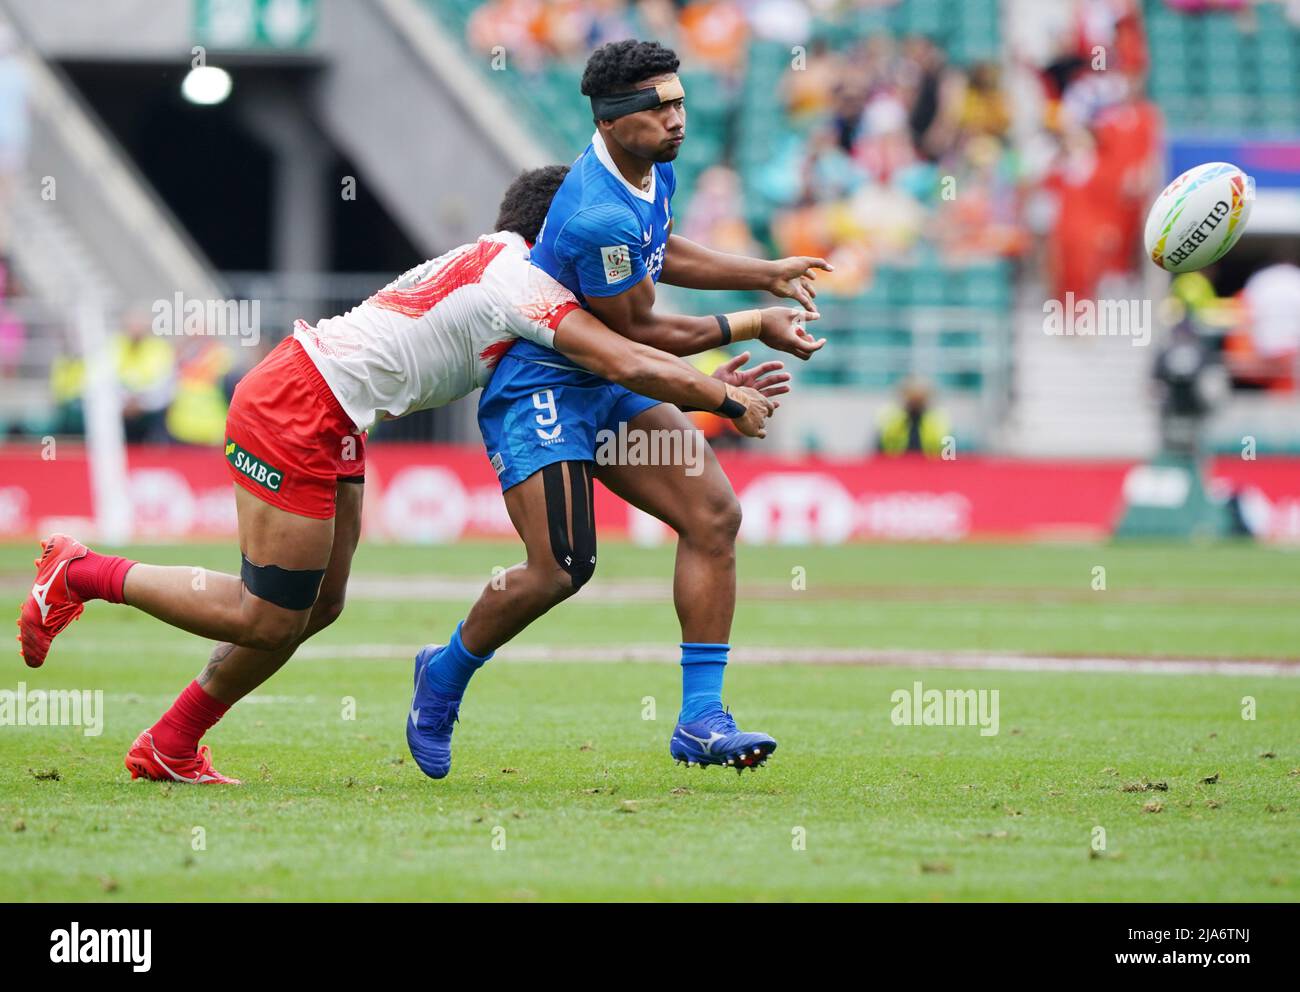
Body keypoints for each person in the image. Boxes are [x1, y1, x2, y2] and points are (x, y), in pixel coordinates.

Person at [16, 165, 784, 785]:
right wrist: (726, 385)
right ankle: (83, 573)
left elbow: (634, 312)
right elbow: (620, 351)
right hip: (297, 403)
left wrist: (723, 348)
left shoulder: (503, 258)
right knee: (266, 615)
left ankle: (171, 743)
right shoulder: (524, 283)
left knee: (319, 607)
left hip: (334, 407)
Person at [408, 39, 831, 779]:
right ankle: (442, 673)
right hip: (545, 387)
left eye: (679, 101)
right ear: (608, 119)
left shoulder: (650, 167)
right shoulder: (593, 214)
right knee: (561, 568)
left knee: (713, 517)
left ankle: (701, 718)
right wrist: (750, 329)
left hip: (613, 379)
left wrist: (763, 271)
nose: (677, 119)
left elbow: (661, 248)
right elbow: (641, 331)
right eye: (657, 107)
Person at [876, 377, 949, 457]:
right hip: (897, 463)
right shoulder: (892, 419)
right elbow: (878, 452)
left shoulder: (938, 420)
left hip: (931, 464)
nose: (915, 399)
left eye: (919, 396)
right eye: (912, 395)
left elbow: (950, 454)